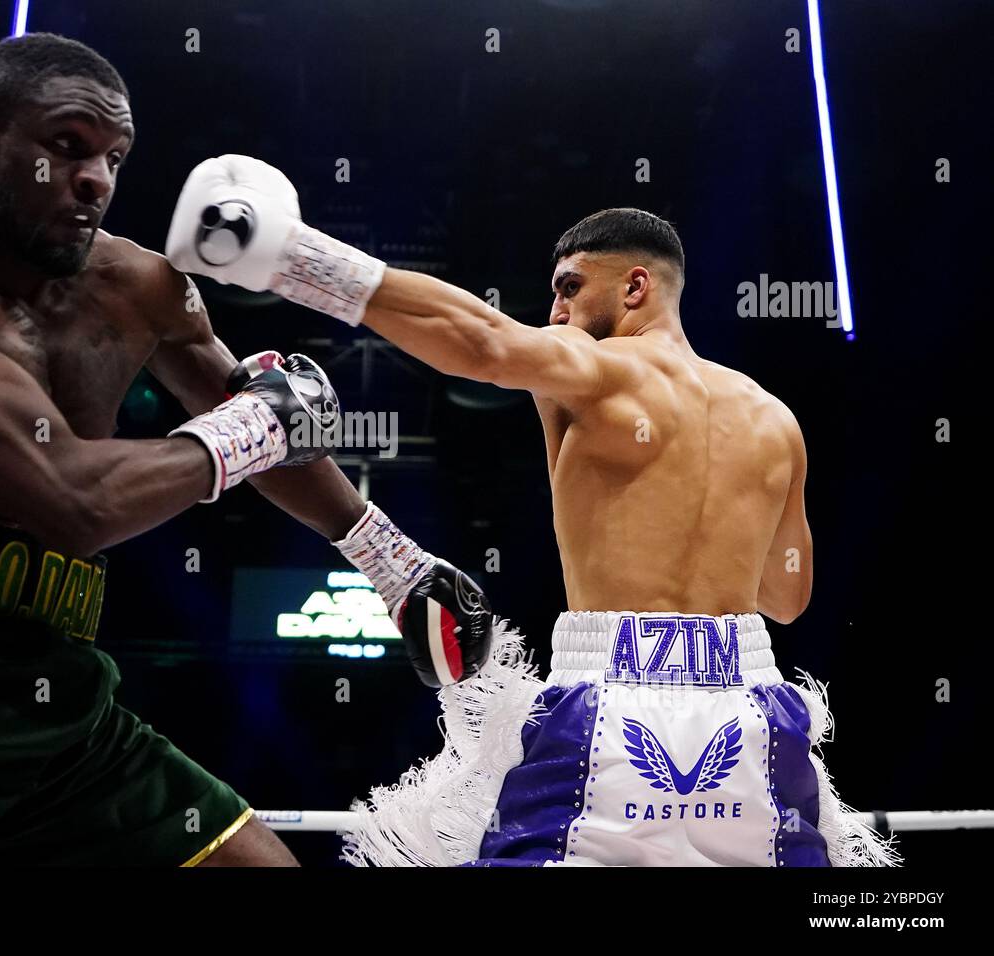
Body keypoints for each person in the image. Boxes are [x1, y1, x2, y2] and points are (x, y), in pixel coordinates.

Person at [0, 35, 492, 868]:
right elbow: (73, 501)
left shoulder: (140, 288)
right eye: (67, 148)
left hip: (58, 695)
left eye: (115, 156)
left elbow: (254, 416)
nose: (97, 180)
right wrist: (255, 428)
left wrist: (393, 562)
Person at [164, 156, 901, 866]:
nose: (556, 312)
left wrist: (288, 254)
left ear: (637, 286)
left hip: (615, 707)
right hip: (754, 717)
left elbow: (480, 340)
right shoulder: (775, 420)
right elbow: (786, 597)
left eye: (571, 287)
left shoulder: (604, 369)